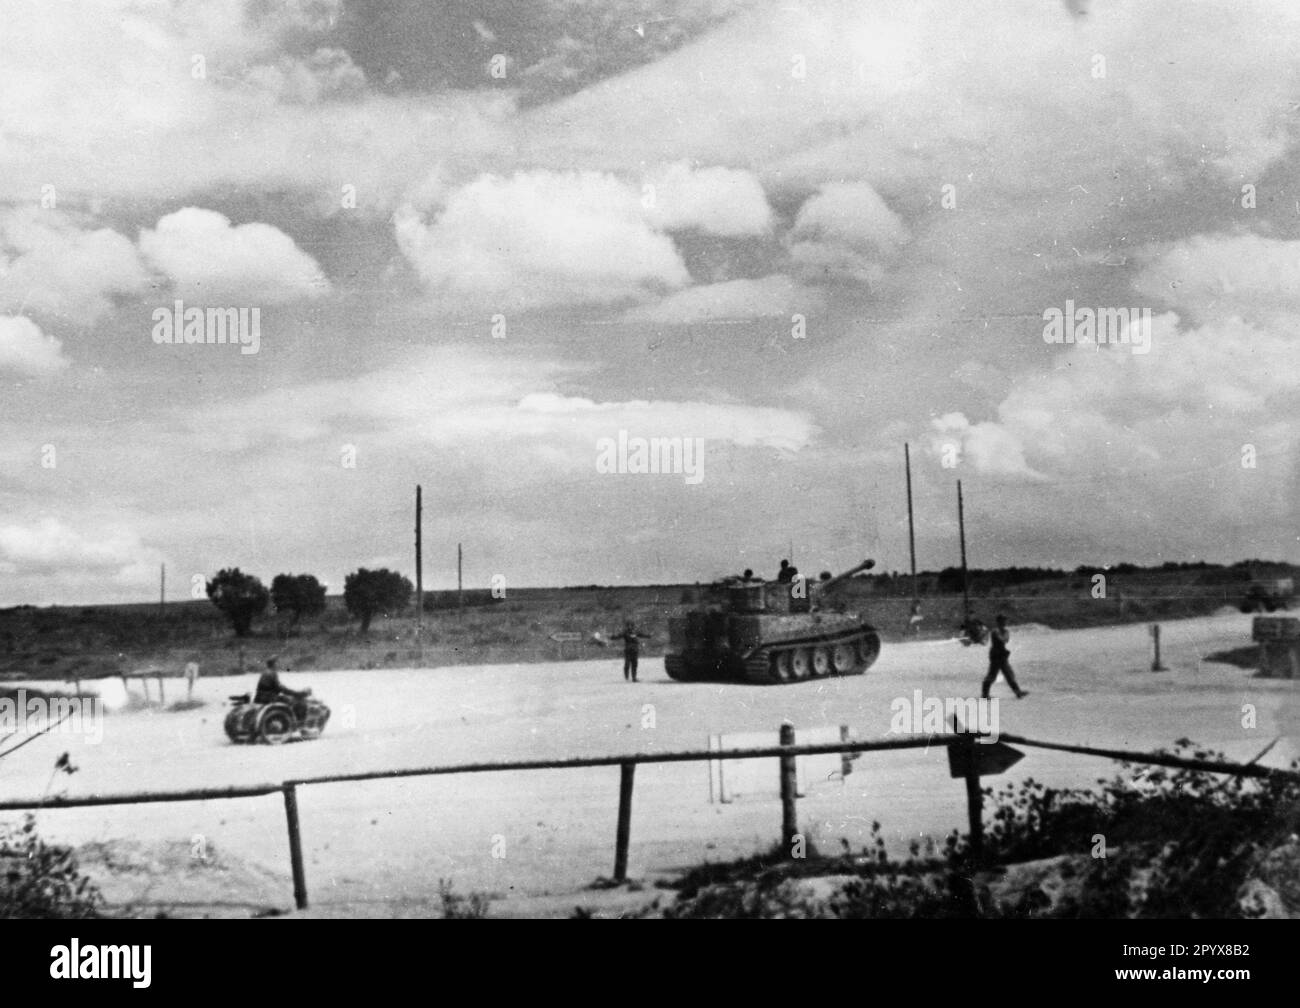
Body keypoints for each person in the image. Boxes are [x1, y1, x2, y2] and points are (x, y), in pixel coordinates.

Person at [982, 615, 1027, 699]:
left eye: (1004, 621)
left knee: (1009, 674)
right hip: (996, 656)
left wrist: (1003, 637)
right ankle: (985, 694)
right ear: (998, 622)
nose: (1004, 623)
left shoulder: (1004, 631)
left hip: (1002, 656)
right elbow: (1002, 639)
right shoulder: (995, 631)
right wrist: (1003, 637)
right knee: (992, 675)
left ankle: (1018, 692)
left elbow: (1005, 639)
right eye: (1002, 621)